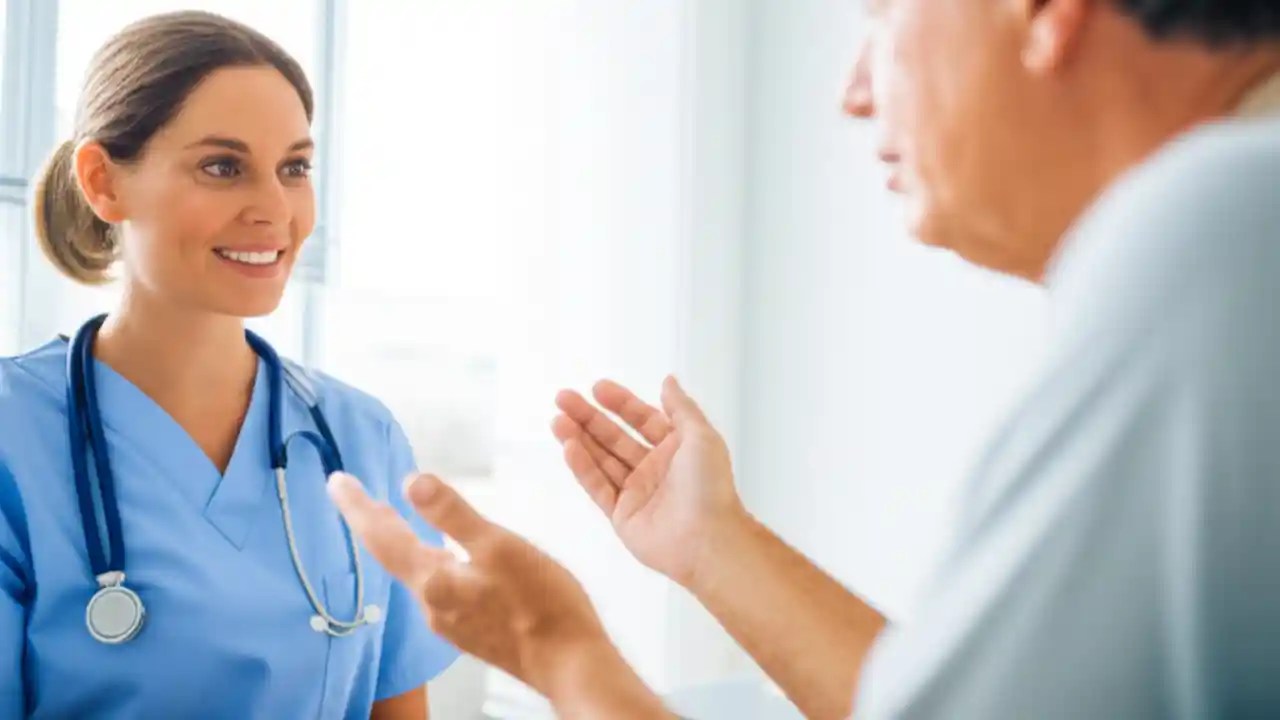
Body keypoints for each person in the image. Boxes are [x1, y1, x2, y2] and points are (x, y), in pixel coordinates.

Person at [330, 0, 1280, 717]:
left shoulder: (1219, 225)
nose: (854, 91)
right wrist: (711, 542)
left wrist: (564, 656)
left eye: (884, 17)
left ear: (1041, 13)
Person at [0, 11, 458, 719]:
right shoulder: (15, 438)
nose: (275, 209)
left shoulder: (361, 437)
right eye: (223, 167)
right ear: (103, 181)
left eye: (294, 168)